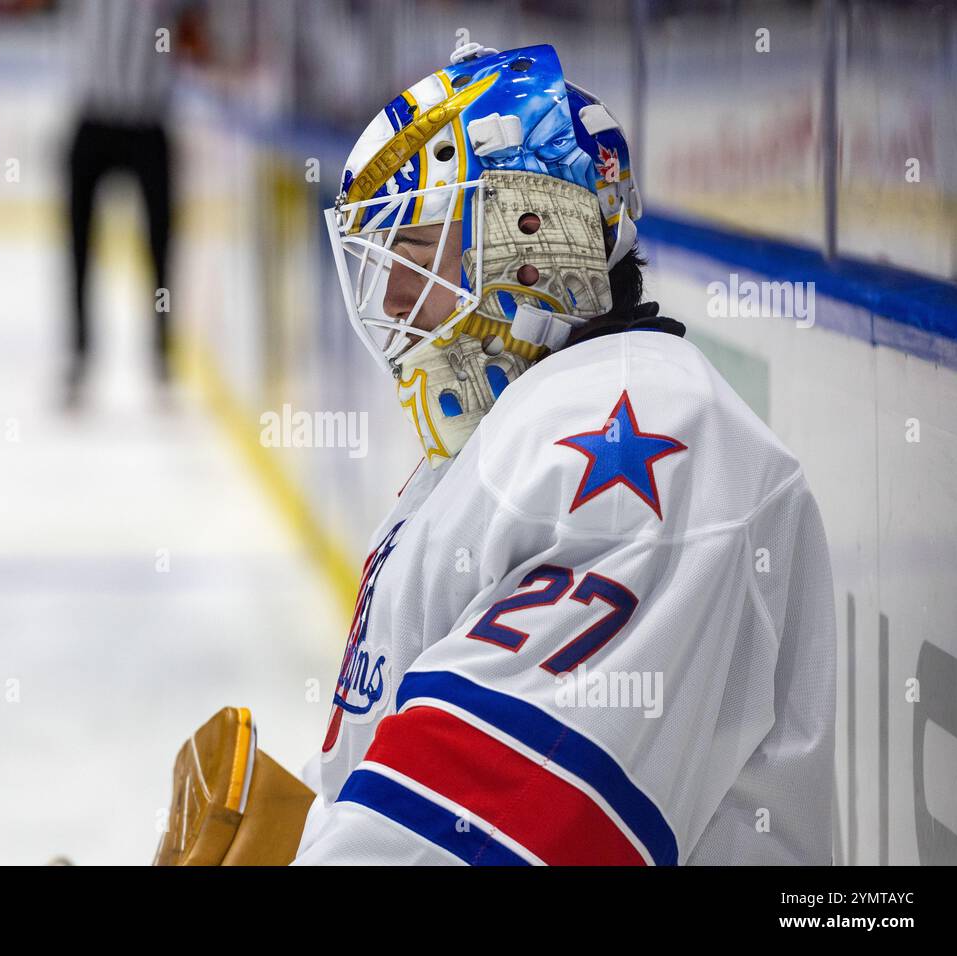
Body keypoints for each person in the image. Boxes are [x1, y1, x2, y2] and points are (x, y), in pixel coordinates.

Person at [297, 42, 836, 865]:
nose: (391, 302)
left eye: (418, 256)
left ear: (535, 237)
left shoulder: (649, 448)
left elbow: (481, 837)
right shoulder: (508, 436)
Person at [63, 0, 189, 407]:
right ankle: (80, 353)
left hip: (148, 121)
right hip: (93, 117)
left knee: (161, 243)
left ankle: (161, 352)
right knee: (79, 243)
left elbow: (191, 29)